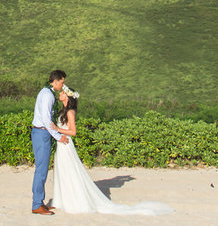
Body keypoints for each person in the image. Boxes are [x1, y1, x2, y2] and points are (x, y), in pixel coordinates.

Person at [51, 86, 173, 215]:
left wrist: (57, 129)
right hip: (61, 145)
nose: (60, 94)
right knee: (63, 171)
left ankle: (74, 201)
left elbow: (73, 132)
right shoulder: (63, 111)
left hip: (66, 145)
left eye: (63, 93)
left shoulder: (70, 112)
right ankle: (64, 199)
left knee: (70, 171)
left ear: (68, 97)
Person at [30, 69, 69, 215]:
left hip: (41, 132)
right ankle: (36, 204)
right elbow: (47, 120)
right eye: (62, 82)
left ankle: (40, 202)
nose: (63, 85)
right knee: (41, 169)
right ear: (57, 80)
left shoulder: (46, 92)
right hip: (41, 133)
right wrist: (58, 136)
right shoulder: (47, 95)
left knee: (43, 169)